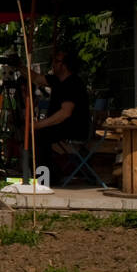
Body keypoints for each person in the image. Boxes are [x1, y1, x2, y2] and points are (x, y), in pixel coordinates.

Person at [28, 43, 91, 184]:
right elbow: (36, 78)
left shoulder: (73, 83)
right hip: (62, 126)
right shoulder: (57, 81)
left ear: (65, 65)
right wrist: (20, 66)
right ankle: (45, 173)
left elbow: (65, 113)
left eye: (56, 61)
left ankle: (44, 179)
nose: (53, 64)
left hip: (73, 128)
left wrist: (39, 125)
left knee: (40, 135)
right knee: (36, 135)